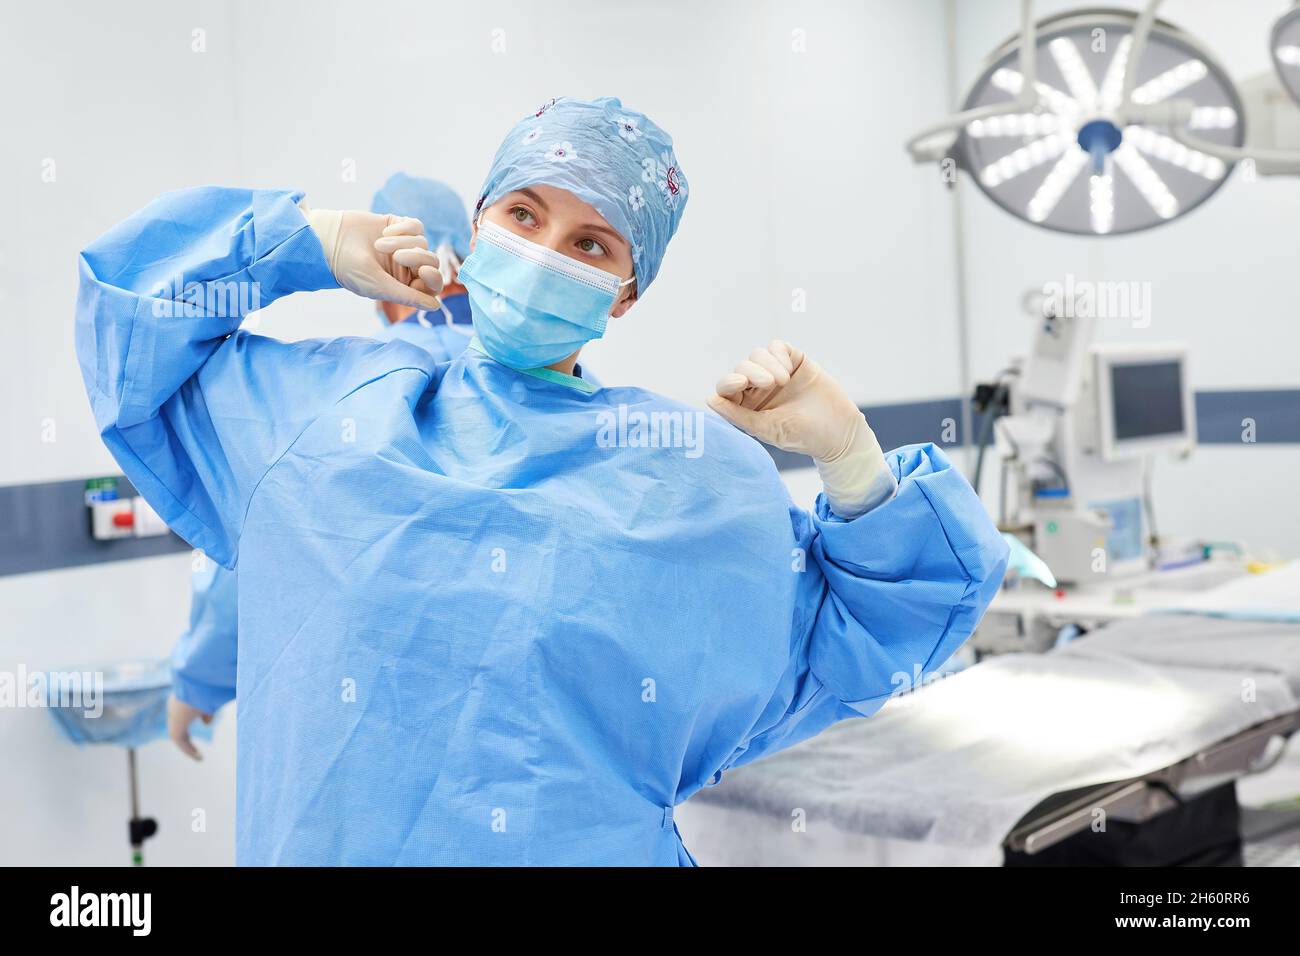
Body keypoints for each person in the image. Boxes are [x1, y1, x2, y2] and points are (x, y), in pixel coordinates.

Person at [77, 96, 1008, 866]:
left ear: (627, 289)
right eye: (523, 215)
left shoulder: (689, 478)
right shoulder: (322, 414)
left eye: (593, 244)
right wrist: (305, 244)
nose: (545, 254)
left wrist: (851, 460)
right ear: (477, 224)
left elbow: (864, 642)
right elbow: (129, 321)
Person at [167, 174, 485, 759]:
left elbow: (255, 545)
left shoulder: (353, 393)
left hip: (371, 737)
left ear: (385, 263)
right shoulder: (563, 390)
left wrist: (197, 683)